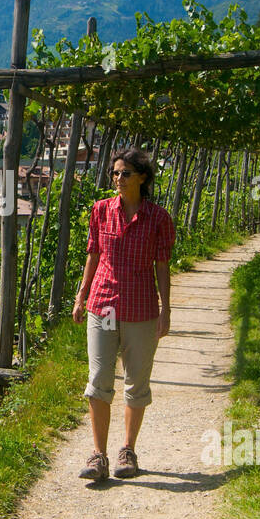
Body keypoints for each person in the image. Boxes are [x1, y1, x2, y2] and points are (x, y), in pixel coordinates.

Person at [72, 147, 174, 481]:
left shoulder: (159, 219)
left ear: (142, 178)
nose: (118, 179)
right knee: (99, 380)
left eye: (125, 173)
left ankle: (127, 451)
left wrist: (166, 309)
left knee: (136, 383)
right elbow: (93, 255)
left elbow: (162, 265)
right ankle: (98, 455)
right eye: (115, 173)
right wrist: (81, 294)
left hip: (142, 308)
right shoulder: (100, 211)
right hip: (103, 304)